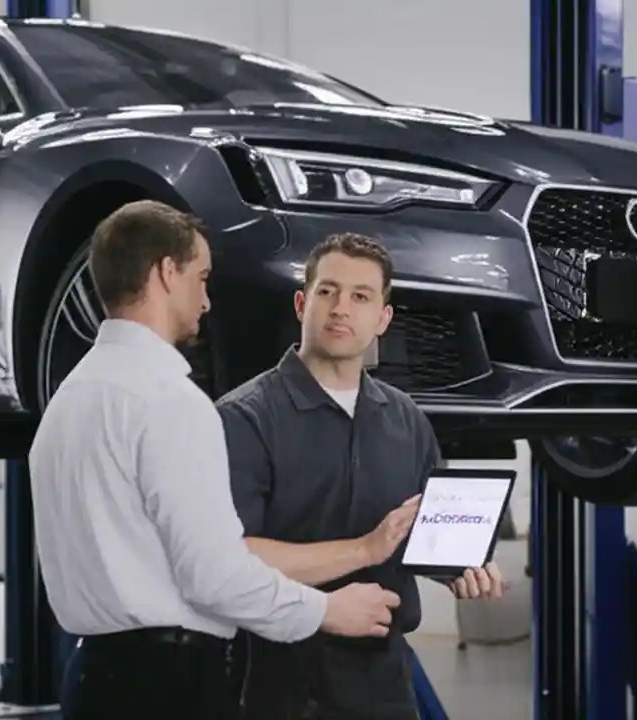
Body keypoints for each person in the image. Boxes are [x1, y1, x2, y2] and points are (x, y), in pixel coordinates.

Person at [28, 202, 404, 720]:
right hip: (167, 685)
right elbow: (215, 574)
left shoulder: (68, 400)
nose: (206, 300)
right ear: (166, 272)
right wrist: (327, 611)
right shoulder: (170, 401)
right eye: (201, 277)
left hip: (91, 677)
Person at [215, 233, 507, 720]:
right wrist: (363, 549)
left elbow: (426, 531)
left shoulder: (406, 419)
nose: (340, 308)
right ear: (301, 303)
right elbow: (230, 558)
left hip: (385, 683)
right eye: (327, 291)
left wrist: (464, 563)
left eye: (360, 296)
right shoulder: (244, 419)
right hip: (280, 685)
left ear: (382, 319)